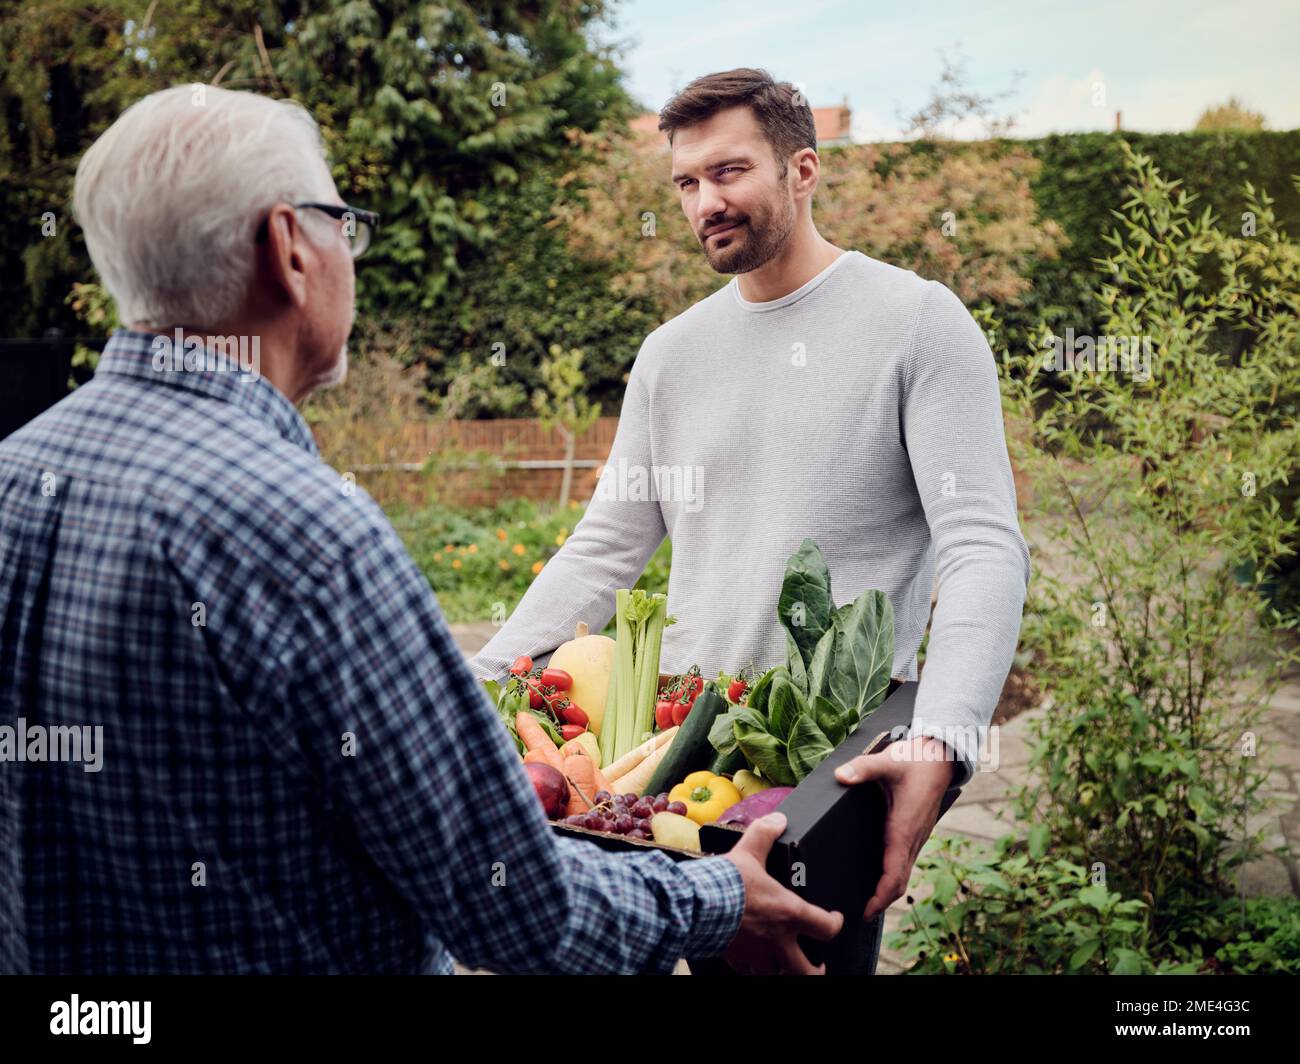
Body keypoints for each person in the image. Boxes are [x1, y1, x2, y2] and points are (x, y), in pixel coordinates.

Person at [0, 84, 844, 975]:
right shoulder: (308, 534)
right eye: (342, 224)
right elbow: (510, 904)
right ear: (290, 247)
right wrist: (715, 898)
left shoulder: (15, 475)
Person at [470, 68, 1033, 973]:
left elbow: (982, 544)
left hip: (821, 772)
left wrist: (945, 735)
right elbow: (607, 546)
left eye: (728, 172)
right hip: (669, 759)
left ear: (803, 169)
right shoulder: (672, 356)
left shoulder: (918, 324)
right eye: (686, 184)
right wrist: (480, 680)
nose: (704, 202)